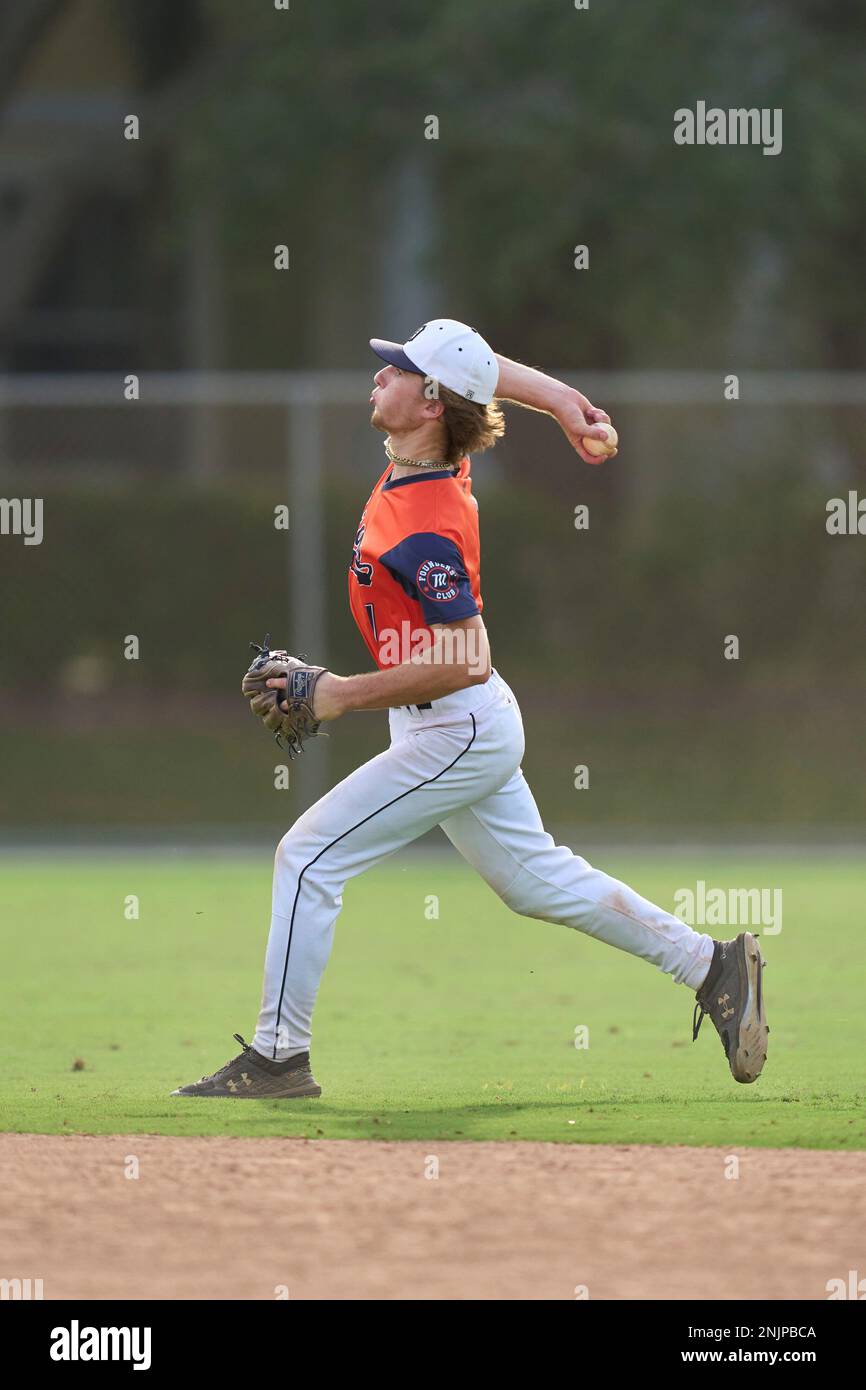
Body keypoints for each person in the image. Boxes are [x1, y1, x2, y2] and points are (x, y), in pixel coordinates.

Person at [172, 319, 768, 1100]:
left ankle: (280, 1058)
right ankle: (712, 964)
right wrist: (558, 401)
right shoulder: (426, 460)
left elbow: (466, 657)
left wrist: (338, 693)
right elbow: (476, 371)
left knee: (308, 855)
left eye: (397, 371)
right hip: (460, 721)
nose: (378, 376)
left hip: (456, 727)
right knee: (534, 882)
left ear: (428, 402)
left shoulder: (426, 523)